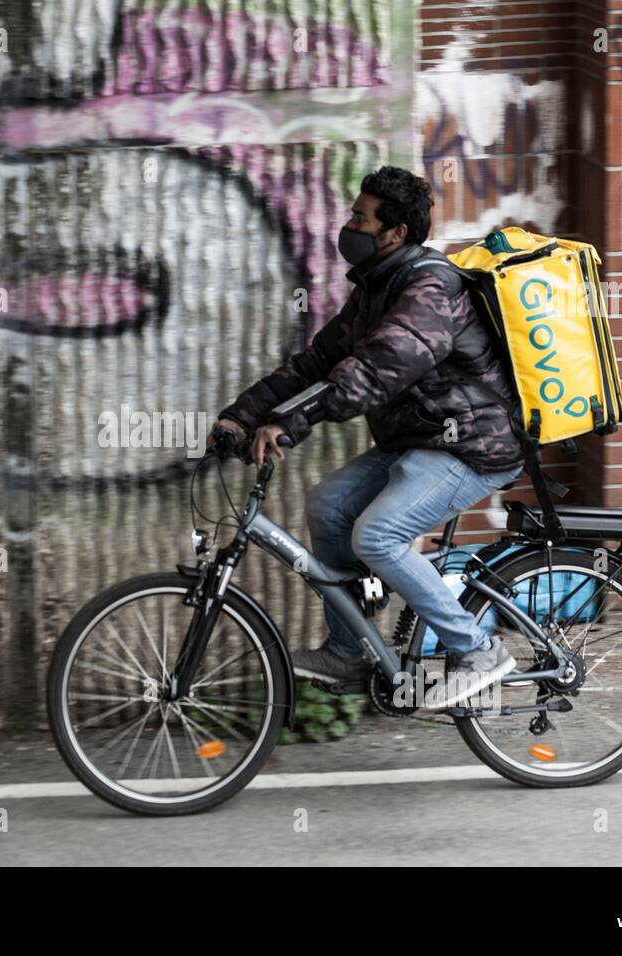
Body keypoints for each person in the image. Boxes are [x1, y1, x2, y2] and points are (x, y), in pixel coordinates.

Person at [212, 166, 525, 709]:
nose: (349, 224)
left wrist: (290, 423)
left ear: (394, 232)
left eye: (360, 217)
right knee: (330, 507)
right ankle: (351, 649)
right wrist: (242, 415)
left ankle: (477, 649)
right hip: (420, 440)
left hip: (471, 444)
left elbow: (377, 371)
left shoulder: (430, 288)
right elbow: (316, 362)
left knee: (376, 537)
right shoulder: (378, 288)